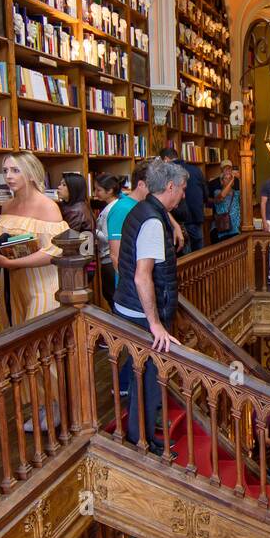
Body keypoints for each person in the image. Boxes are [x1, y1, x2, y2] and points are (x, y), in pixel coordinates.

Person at [113, 161, 188, 453]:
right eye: (181, 189)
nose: (183, 195)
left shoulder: (144, 209)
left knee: (141, 377)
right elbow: (143, 275)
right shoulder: (154, 222)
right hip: (141, 315)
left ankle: (141, 433)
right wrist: (155, 323)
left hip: (129, 306)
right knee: (149, 379)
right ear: (169, 187)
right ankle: (141, 438)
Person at [0, 153, 70, 326]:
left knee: (37, 340)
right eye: (5, 170)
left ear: (31, 174)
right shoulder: (7, 205)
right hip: (11, 284)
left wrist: (11, 264)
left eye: (16, 170)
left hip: (40, 284)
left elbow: (55, 251)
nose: (8, 176)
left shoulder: (47, 207)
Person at [161, 146, 207, 253]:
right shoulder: (196, 170)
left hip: (177, 218)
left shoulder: (167, 173)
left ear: (166, 159)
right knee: (200, 254)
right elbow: (205, 193)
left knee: (184, 255)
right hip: (196, 217)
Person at [57, 173, 97, 289]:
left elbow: (65, 238)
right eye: (60, 184)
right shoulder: (79, 206)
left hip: (79, 265)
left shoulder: (76, 211)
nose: (59, 187)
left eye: (64, 185)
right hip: (83, 262)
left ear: (73, 189)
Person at [93, 174, 123, 308]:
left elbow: (107, 237)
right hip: (111, 257)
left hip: (109, 257)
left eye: (98, 190)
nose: (95, 193)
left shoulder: (110, 210)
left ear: (109, 190)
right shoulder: (118, 205)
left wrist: (92, 229)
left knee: (111, 295)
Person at [209, 161, 241, 240]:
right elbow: (221, 197)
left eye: (230, 179)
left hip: (236, 231)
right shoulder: (217, 192)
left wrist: (241, 177)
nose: (228, 181)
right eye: (226, 179)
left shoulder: (237, 193)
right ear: (221, 182)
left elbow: (247, 192)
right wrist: (232, 178)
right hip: (221, 231)